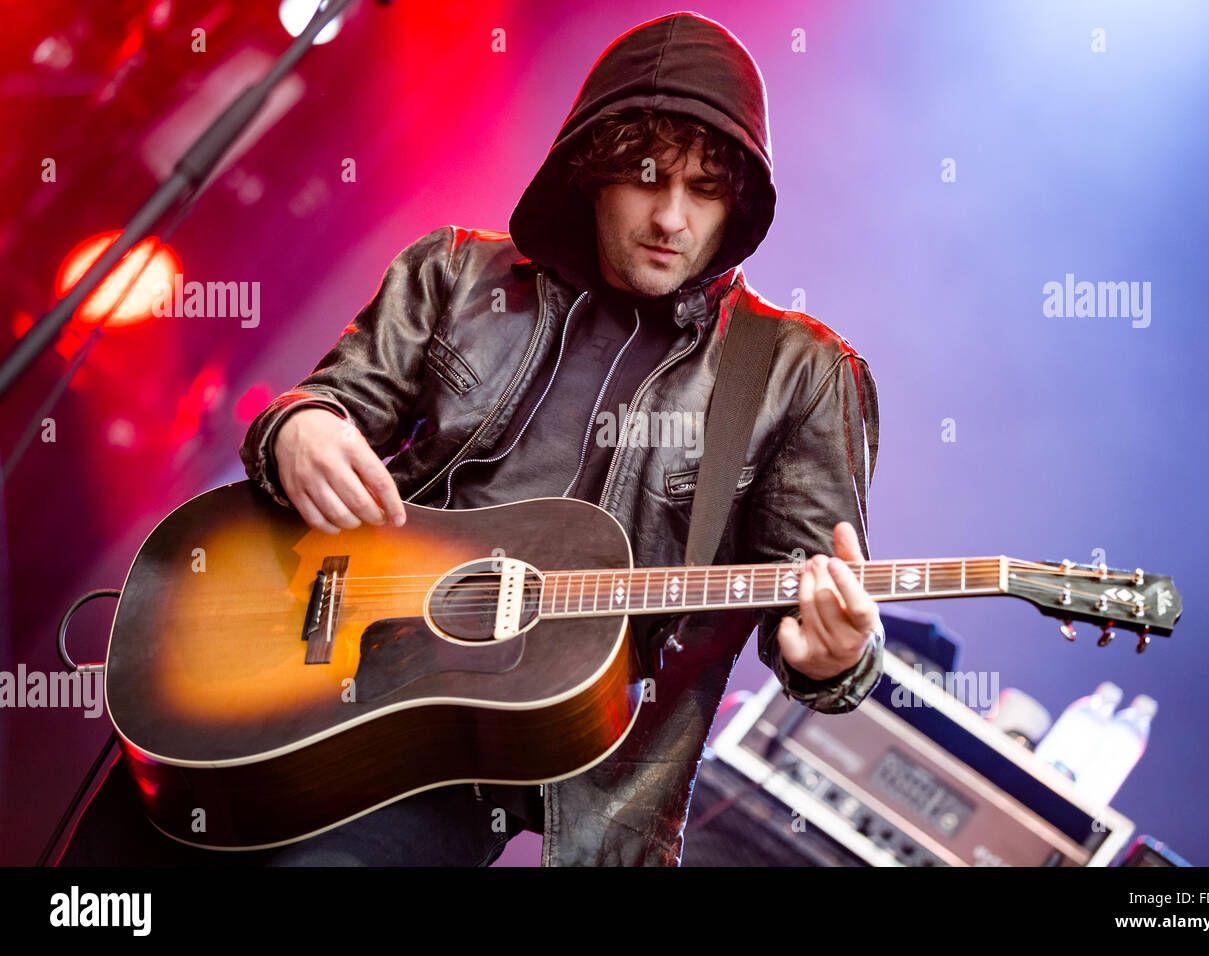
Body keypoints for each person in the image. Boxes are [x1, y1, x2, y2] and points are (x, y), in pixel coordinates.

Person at [61, 11, 885, 868]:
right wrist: (299, 427)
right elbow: (325, 405)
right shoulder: (454, 270)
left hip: (469, 762)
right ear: (594, 168)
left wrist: (838, 656)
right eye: (648, 179)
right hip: (283, 665)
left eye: (706, 191)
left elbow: (816, 615)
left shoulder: (801, 375)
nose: (673, 218)